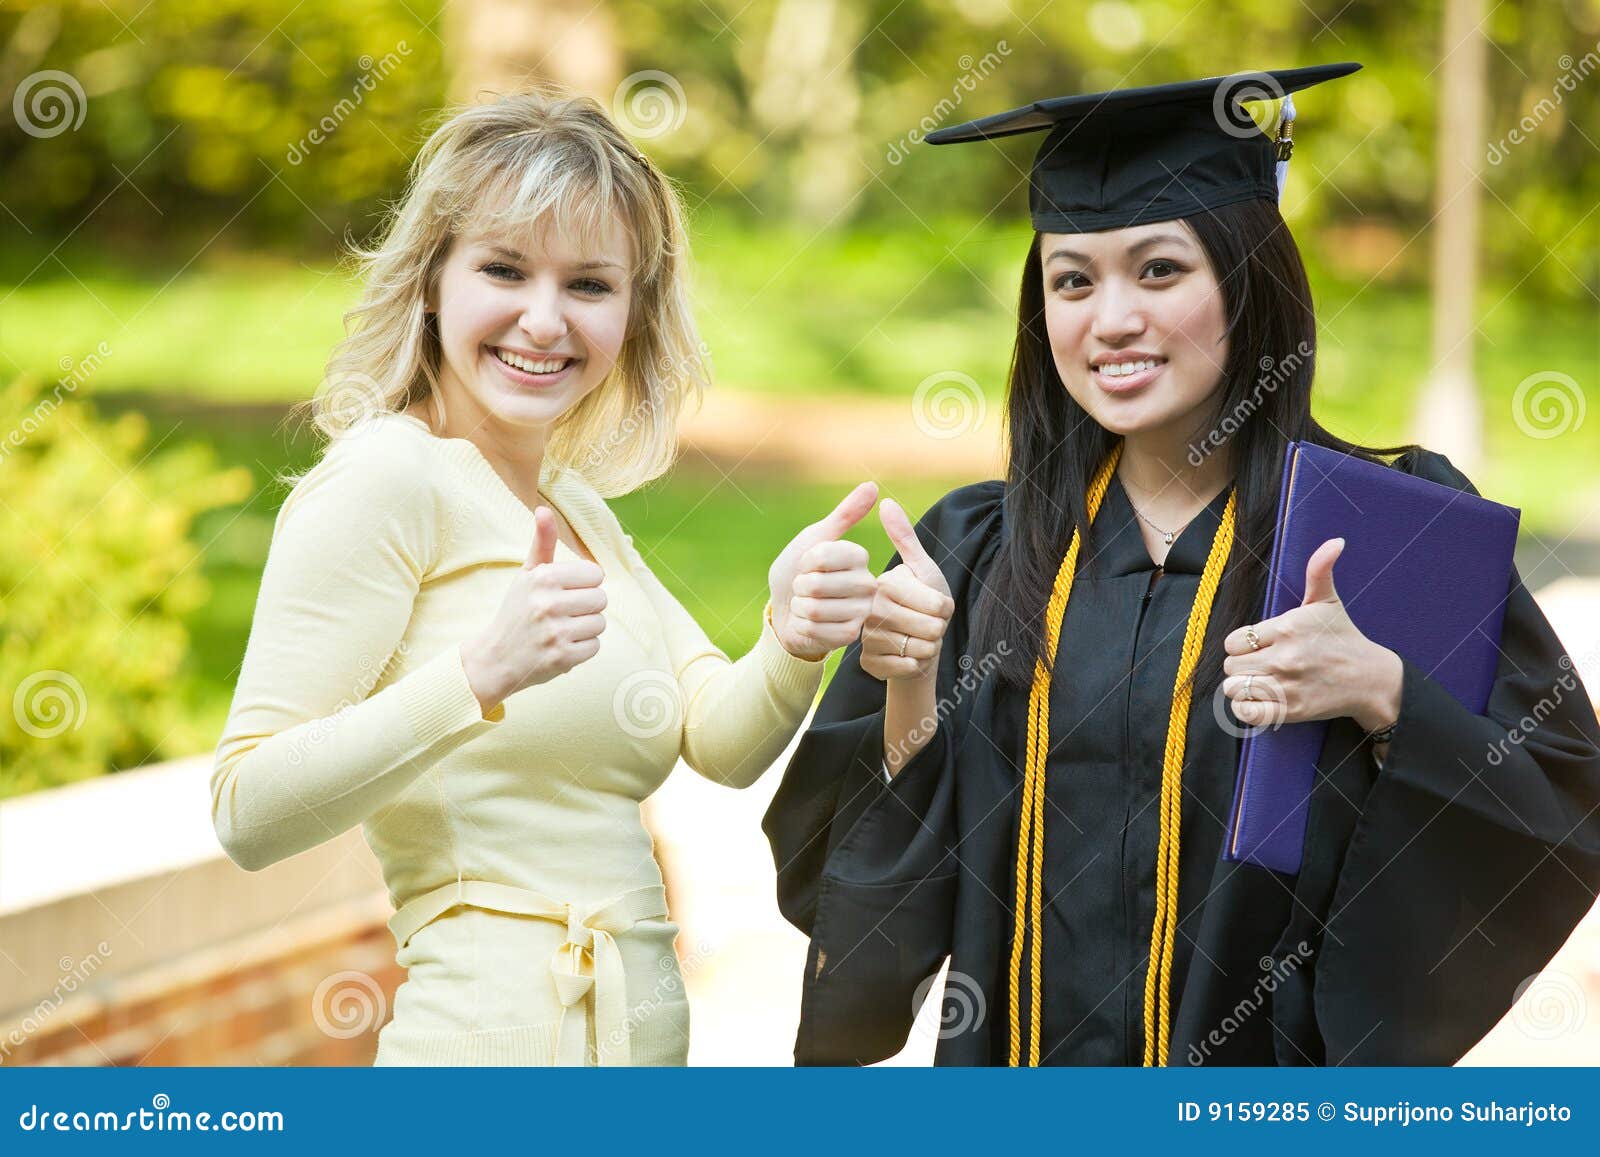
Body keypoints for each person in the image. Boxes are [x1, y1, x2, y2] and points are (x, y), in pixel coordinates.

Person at [763, 64, 1600, 1066]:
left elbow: (1553, 809)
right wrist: (906, 687)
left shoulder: (1383, 536)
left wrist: (1383, 691)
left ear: (1247, 280)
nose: (1109, 318)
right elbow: (866, 910)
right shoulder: (979, 549)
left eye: (1159, 270)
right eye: (1071, 279)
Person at [210, 89, 878, 1065]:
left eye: (590, 285)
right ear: (434, 280)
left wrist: (789, 632)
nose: (543, 319)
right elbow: (247, 810)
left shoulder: (576, 512)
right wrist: (476, 675)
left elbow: (717, 739)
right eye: (505, 269)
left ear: (633, 310)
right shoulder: (387, 478)